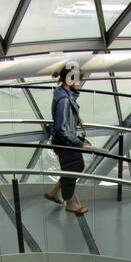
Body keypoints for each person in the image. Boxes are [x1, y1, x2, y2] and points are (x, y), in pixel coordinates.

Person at [45, 60, 91, 216]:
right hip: (65, 142)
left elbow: (64, 119)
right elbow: (62, 129)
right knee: (75, 168)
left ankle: (53, 191)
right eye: (78, 79)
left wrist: (76, 118)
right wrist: (79, 143)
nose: (79, 82)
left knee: (73, 168)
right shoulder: (64, 100)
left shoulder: (63, 94)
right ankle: (70, 203)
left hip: (63, 141)